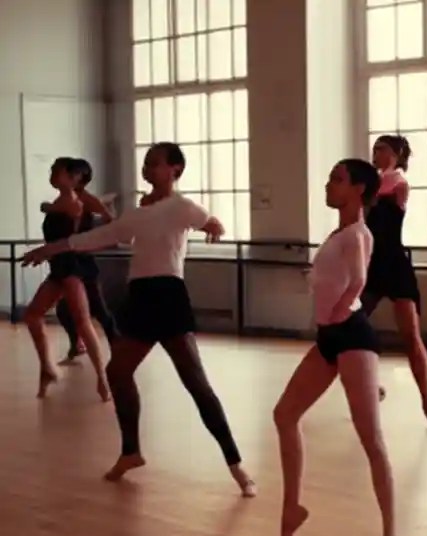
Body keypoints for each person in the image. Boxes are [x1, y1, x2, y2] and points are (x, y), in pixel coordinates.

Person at [22, 142, 255, 498]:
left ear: (175, 169)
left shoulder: (182, 206)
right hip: (141, 298)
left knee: (195, 381)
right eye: (145, 163)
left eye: (155, 164)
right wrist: (49, 249)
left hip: (169, 296)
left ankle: (236, 464)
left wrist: (215, 224)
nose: (147, 168)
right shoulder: (137, 213)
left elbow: (207, 219)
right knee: (117, 373)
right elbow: (96, 236)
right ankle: (131, 452)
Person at [274, 158, 398, 536]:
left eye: (337, 180)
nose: (329, 185)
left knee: (371, 440)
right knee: (285, 414)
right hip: (330, 339)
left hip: (353, 337)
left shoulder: (357, 233)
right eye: (330, 178)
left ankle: (390, 535)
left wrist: (342, 308)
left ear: (359, 189)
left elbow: (360, 279)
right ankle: (292, 508)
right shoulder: (338, 233)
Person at [364, 135, 427, 428]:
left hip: (395, 264)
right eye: (374, 148)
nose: (375, 152)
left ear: (397, 154)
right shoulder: (368, 182)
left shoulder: (398, 182)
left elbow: (384, 191)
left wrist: (366, 187)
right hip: (370, 265)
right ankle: (372, 383)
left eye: (382, 148)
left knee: (411, 336)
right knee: (351, 325)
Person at [23, 157, 110, 401]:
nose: (52, 174)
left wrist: (47, 208)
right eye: (51, 170)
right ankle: (48, 368)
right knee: (32, 315)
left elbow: (69, 211)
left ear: (74, 178)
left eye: (57, 171)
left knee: (83, 321)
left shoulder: (73, 202)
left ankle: (103, 379)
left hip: (73, 268)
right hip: (59, 268)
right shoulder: (64, 202)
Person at [51, 158, 118, 363]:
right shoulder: (67, 198)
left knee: (98, 310)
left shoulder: (85, 199)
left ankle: (119, 347)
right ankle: (77, 345)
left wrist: (93, 231)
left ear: (78, 178)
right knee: (63, 309)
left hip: (81, 263)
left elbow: (109, 220)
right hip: (66, 261)